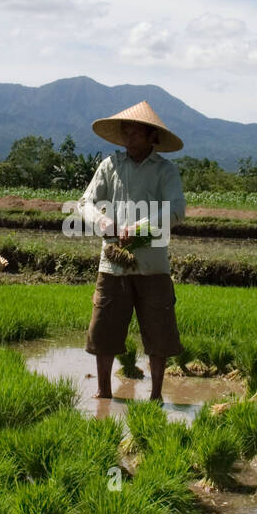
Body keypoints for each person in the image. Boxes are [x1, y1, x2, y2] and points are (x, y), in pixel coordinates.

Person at [77, 100, 187, 402]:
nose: (129, 137)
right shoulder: (110, 165)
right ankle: (103, 392)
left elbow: (177, 209)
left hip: (152, 265)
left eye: (135, 132)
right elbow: (84, 203)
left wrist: (139, 228)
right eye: (126, 131)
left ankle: (155, 395)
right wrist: (103, 221)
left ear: (152, 136)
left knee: (159, 332)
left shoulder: (165, 171)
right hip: (113, 266)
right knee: (104, 331)